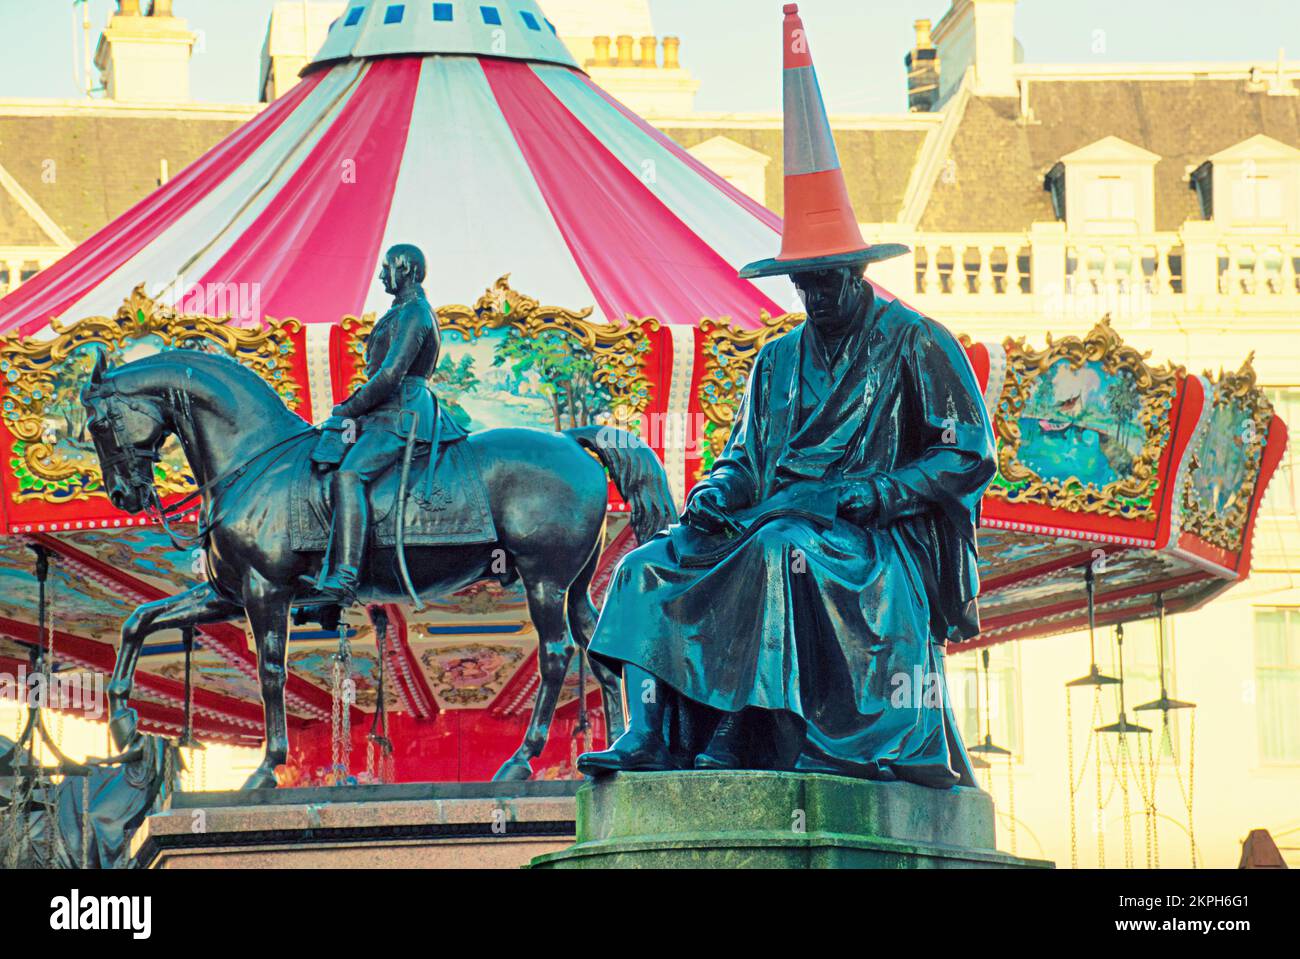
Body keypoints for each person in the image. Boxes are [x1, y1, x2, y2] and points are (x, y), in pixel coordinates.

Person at [577, 3, 997, 788]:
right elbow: (744, 459)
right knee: (645, 563)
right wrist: (712, 491)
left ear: (859, 271)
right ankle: (650, 730)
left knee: (782, 553)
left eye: (827, 282)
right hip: (771, 523)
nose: (816, 299)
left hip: (870, 543)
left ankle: (746, 728)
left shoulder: (916, 343)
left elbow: (968, 453)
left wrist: (875, 492)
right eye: (803, 285)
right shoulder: (775, 362)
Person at [311, 244, 467, 606]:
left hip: (401, 415)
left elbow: (391, 375)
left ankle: (345, 576)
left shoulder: (415, 312)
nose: (382, 276)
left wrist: (348, 407)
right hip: (388, 412)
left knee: (349, 476)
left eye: (387, 269)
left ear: (408, 271)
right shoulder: (403, 310)